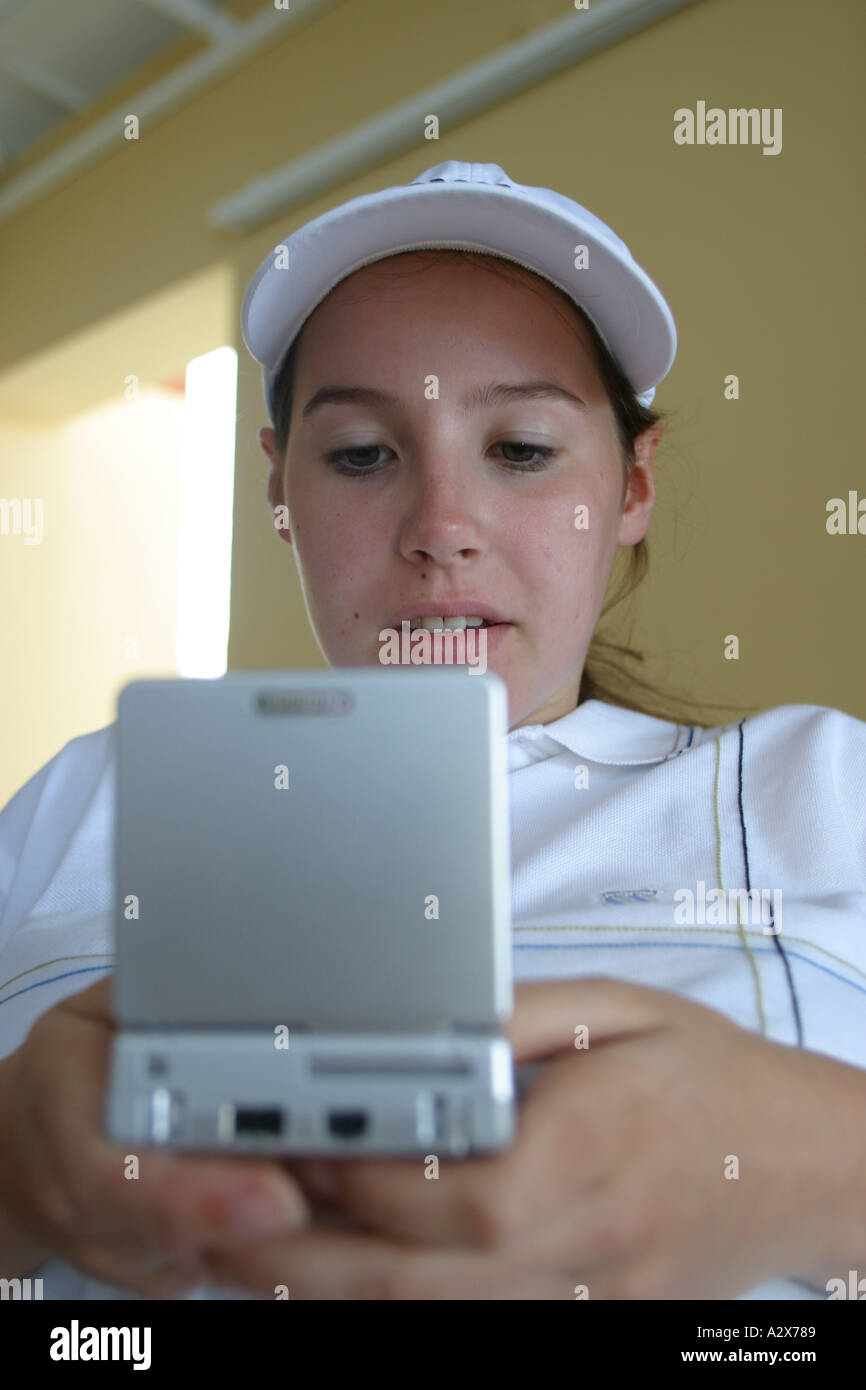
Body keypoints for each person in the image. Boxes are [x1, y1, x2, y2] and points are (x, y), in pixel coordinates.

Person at [1, 161, 864, 1301]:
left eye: (518, 449)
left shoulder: (821, 785)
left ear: (631, 485)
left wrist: (800, 1164)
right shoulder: (78, 802)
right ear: (279, 489)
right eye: (361, 454)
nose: (439, 528)